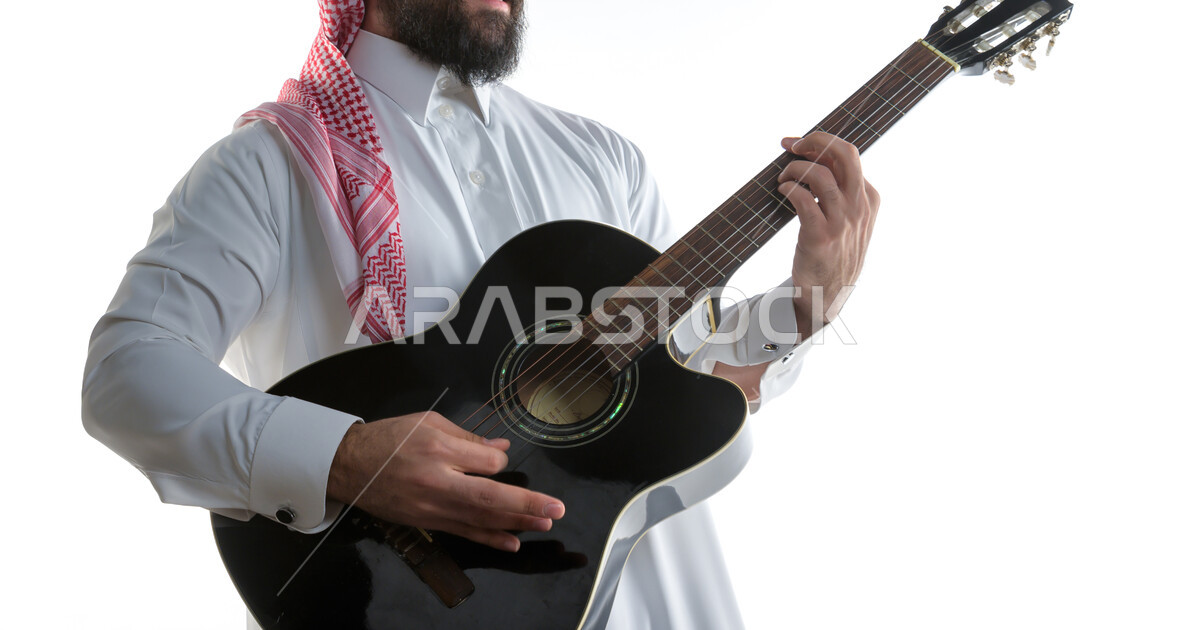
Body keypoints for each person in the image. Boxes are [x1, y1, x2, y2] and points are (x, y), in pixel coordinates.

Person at [81, 0, 880, 627]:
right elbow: (129, 369)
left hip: (661, 600)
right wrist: (345, 457)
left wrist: (801, 310)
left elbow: (689, 390)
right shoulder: (268, 165)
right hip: (410, 604)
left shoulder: (602, 159)